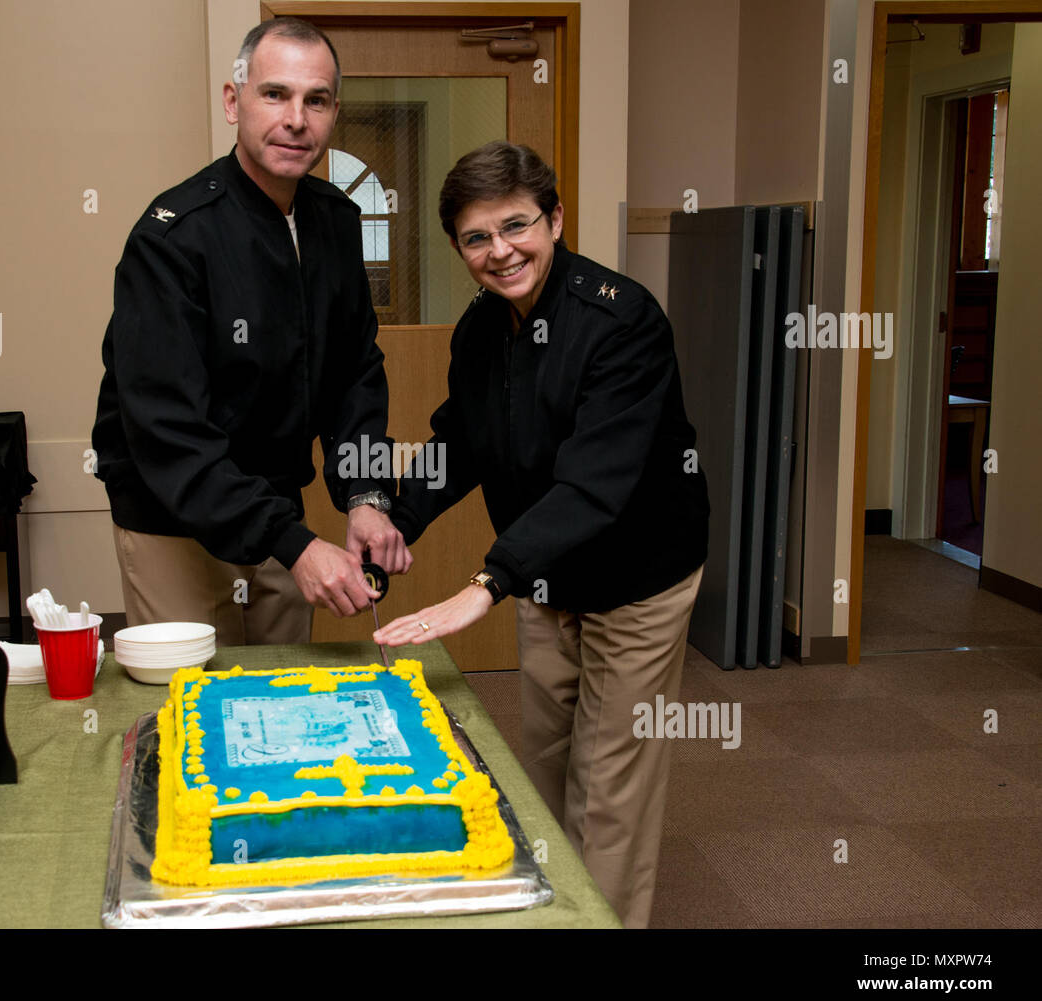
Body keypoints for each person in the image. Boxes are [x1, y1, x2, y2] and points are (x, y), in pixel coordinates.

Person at [374, 141, 709, 927]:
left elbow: (594, 484)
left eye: (516, 225)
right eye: (476, 238)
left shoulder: (622, 321)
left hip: (637, 577)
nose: (501, 251)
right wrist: (397, 518)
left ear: (555, 219)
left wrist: (486, 583)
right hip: (548, 577)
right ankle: (557, 911)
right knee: (550, 767)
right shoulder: (482, 328)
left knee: (610, 785)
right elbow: (462, 437)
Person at [91, 17, 410, 644]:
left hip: (275, 507)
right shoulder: (172, 237)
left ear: (333, 112)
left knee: (282, 702)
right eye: (275, 94)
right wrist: (296, 545)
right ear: (234, 101)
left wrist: (366, 494)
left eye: (315, 100)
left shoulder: (337, 223)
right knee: (190, 710)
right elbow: (167, 430)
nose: (297, 118)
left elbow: (355, 374)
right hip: (172, 513)